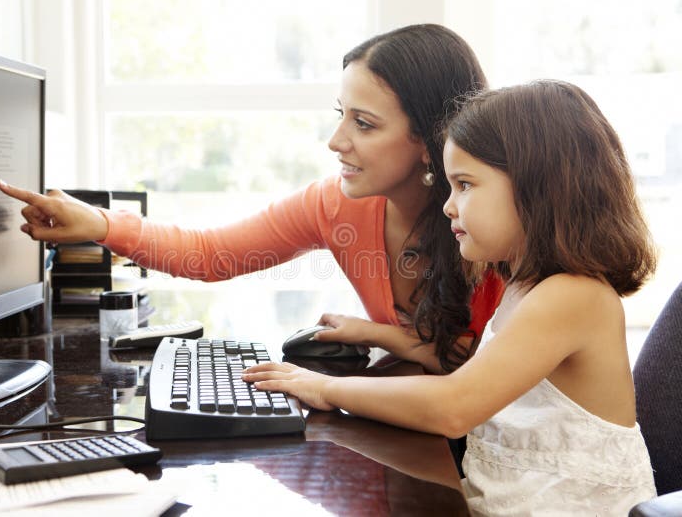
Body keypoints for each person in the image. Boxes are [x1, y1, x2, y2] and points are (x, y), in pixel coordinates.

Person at [244, 80, 658, 514]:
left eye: (464, 184)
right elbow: (471, 367)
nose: (448, 205)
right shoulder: (525, 283)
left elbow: (454, 405)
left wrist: (325, 389)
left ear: (536, 187)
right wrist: (378, 334)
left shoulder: (571, 296)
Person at [0, 24, 504, 374]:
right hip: (419, 425)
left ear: (428, 140)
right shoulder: (336, 205)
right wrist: (99, 225)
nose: (335, 140)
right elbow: (211, 254)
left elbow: (482, 364)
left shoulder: (498, 223)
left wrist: (377, 336)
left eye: (364, 123)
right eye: (341, 113)